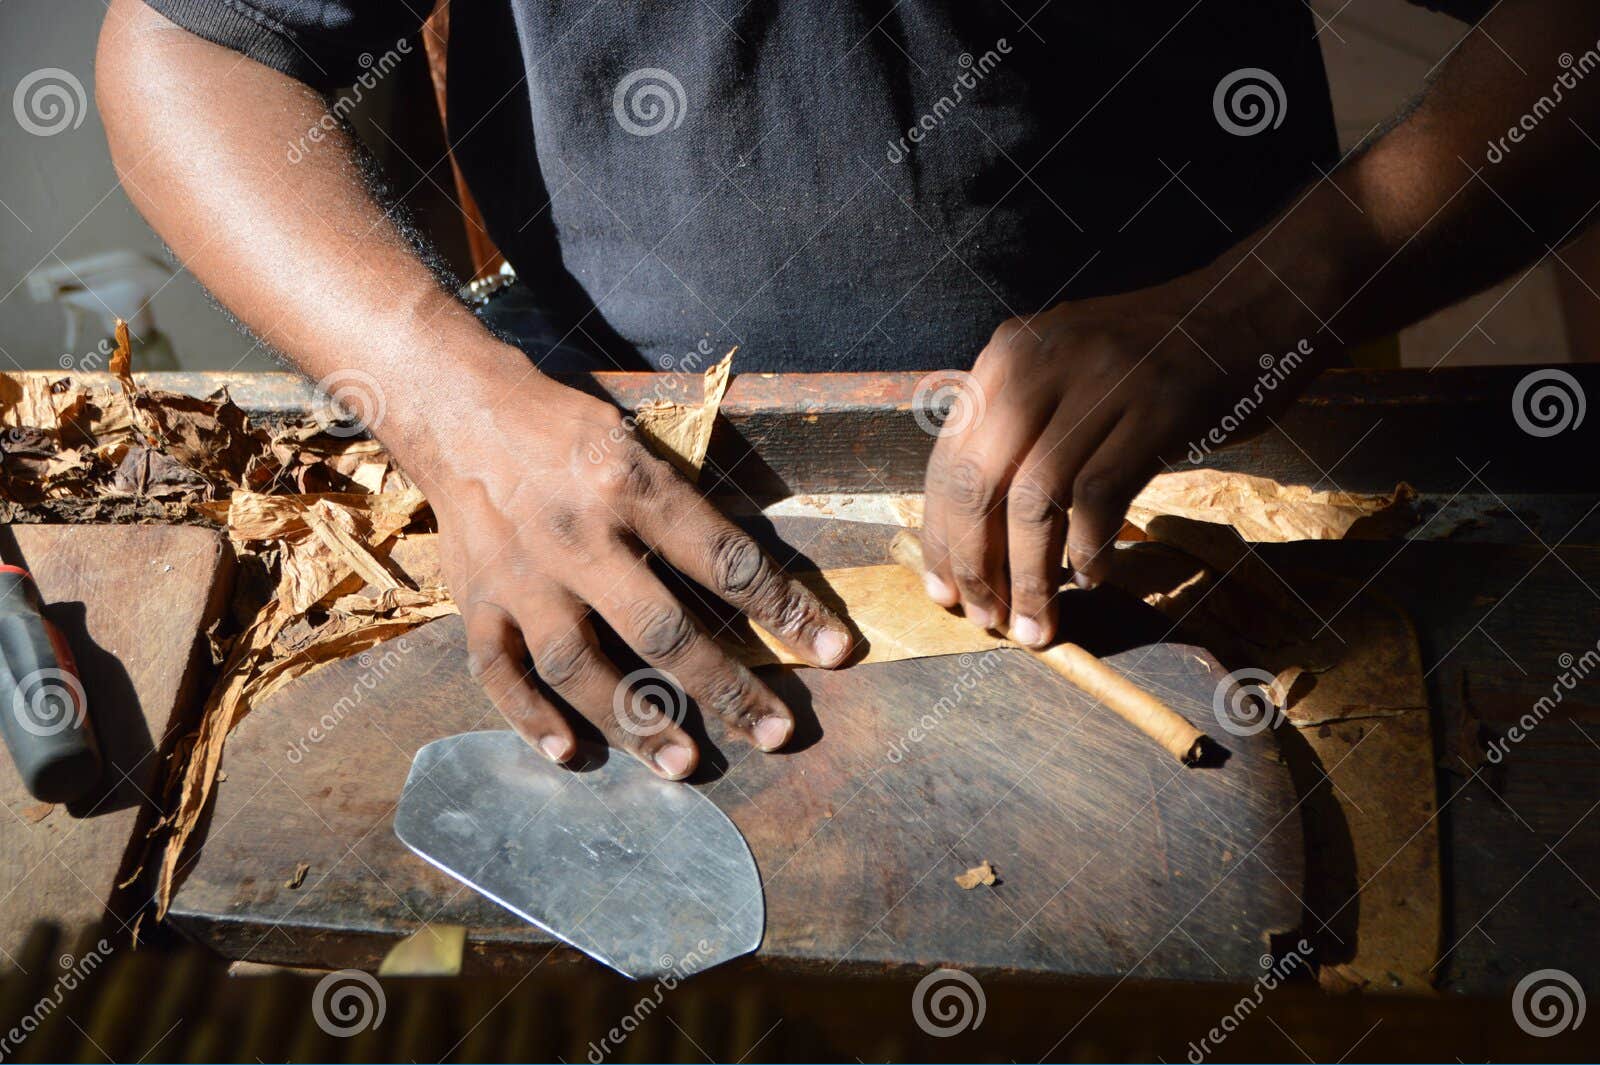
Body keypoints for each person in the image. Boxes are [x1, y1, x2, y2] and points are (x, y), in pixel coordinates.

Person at [98, 0, 1588, 779]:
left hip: (1221, 405)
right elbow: (181, 43)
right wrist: (445, 396)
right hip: (606, 442)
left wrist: (1260, 303)